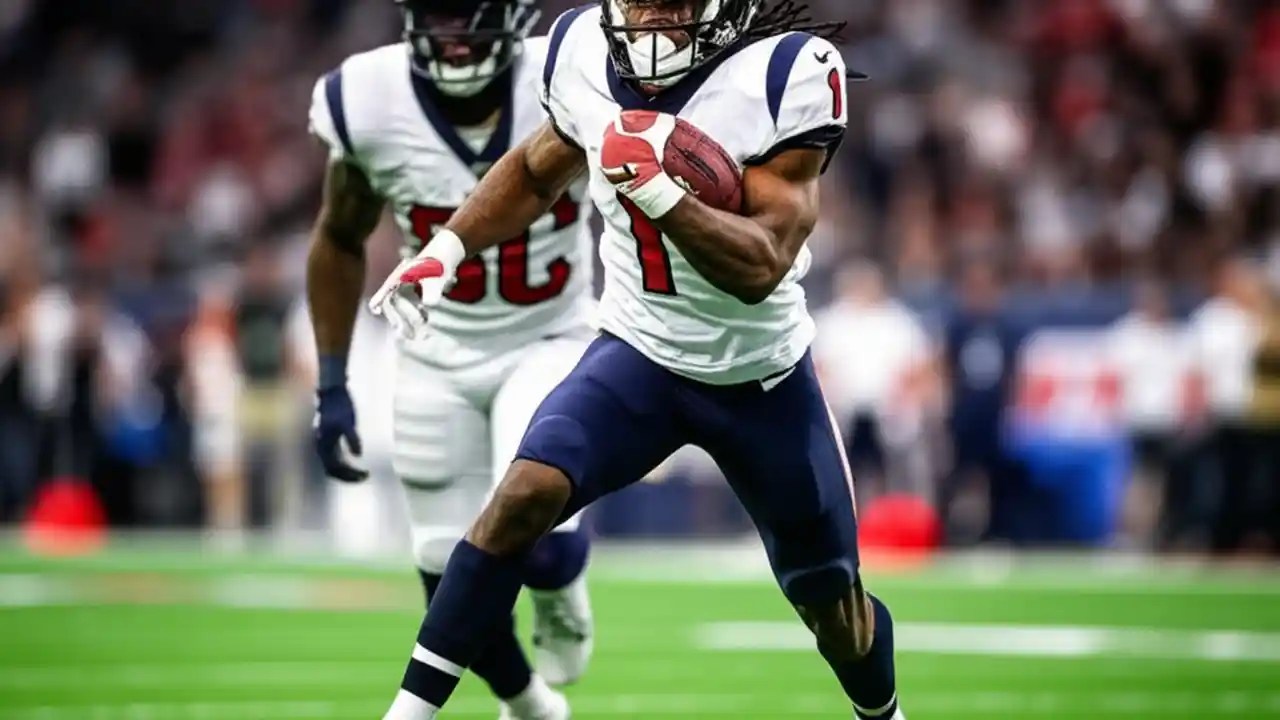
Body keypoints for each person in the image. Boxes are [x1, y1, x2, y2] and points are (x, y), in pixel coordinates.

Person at [370, 1, 904, 719]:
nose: (652, 20)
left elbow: (763, 265)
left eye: (674, 3)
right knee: (522, 496)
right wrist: (447, 250)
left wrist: (658, 192)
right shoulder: (582, 49)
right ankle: (408, 713)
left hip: (759, 378)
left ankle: (883, 712)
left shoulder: (783, 74)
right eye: (639, 1)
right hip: (639, 353)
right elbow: (535, 170)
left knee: (833, 609)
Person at [306, 1, 598, 717]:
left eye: (467, 17)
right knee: (444, 562)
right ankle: (531, 704)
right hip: (437, 347)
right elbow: (339, 237)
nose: (452, 39)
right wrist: (331, 383)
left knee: (539, 527)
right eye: (435, 16)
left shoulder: (569, 74)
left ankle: (562, 587)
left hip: (550, 333)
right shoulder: (369, 98)